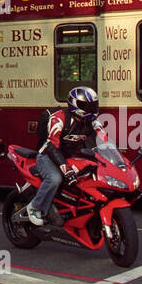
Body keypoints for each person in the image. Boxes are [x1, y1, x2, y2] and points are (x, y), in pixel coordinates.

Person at [28, 87, 99, 226]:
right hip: (48, 156)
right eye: (87, 105)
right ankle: (35, 207)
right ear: (74, 104)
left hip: (69, 156)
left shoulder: (91, 122)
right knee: (55, 178)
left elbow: (103, 140)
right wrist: (65, 168)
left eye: (93, 105)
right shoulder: (59, 118)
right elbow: (52, 146)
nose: (91, 109)